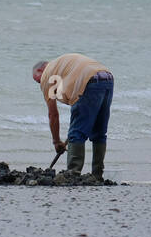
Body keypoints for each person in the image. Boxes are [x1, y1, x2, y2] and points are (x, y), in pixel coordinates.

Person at [33, 54, 113, 182]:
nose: (40, 84)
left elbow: (53, 114)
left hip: (87, 80)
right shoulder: (60, 67)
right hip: (106, 78)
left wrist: (56, 141)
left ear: (41, 70)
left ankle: (73, 174)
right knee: (99, 132)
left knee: (76, 133)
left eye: (37, 80)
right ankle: (97, 175)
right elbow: (61, 93)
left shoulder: (47, 74)